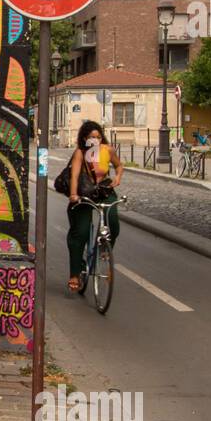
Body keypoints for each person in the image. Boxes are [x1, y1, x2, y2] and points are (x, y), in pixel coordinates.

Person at [66, 120, 123, 293]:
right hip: (84, 192)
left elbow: (119, 166)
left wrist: (117, 178)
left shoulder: (108, 150)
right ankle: (75, 274)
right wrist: (74, 195)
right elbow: (75, 176)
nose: (95, 140)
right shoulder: (80, 153)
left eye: (98, 137)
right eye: (92, 137)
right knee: (81, 233)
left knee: (113, 221)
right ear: (85, 138)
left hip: (104, 190)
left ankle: (105, 249)